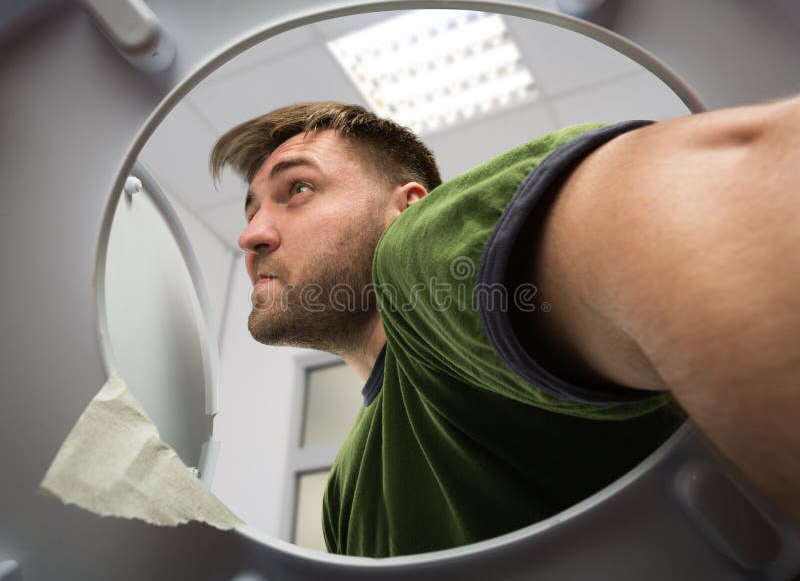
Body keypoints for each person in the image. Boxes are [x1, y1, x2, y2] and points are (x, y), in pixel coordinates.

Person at [210, 96, 800, 557]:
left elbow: (749, 173)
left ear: (408, 206)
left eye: (298, 189)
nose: (251, 235)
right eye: (252, 210)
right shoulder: (345, 487)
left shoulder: (415, 259)